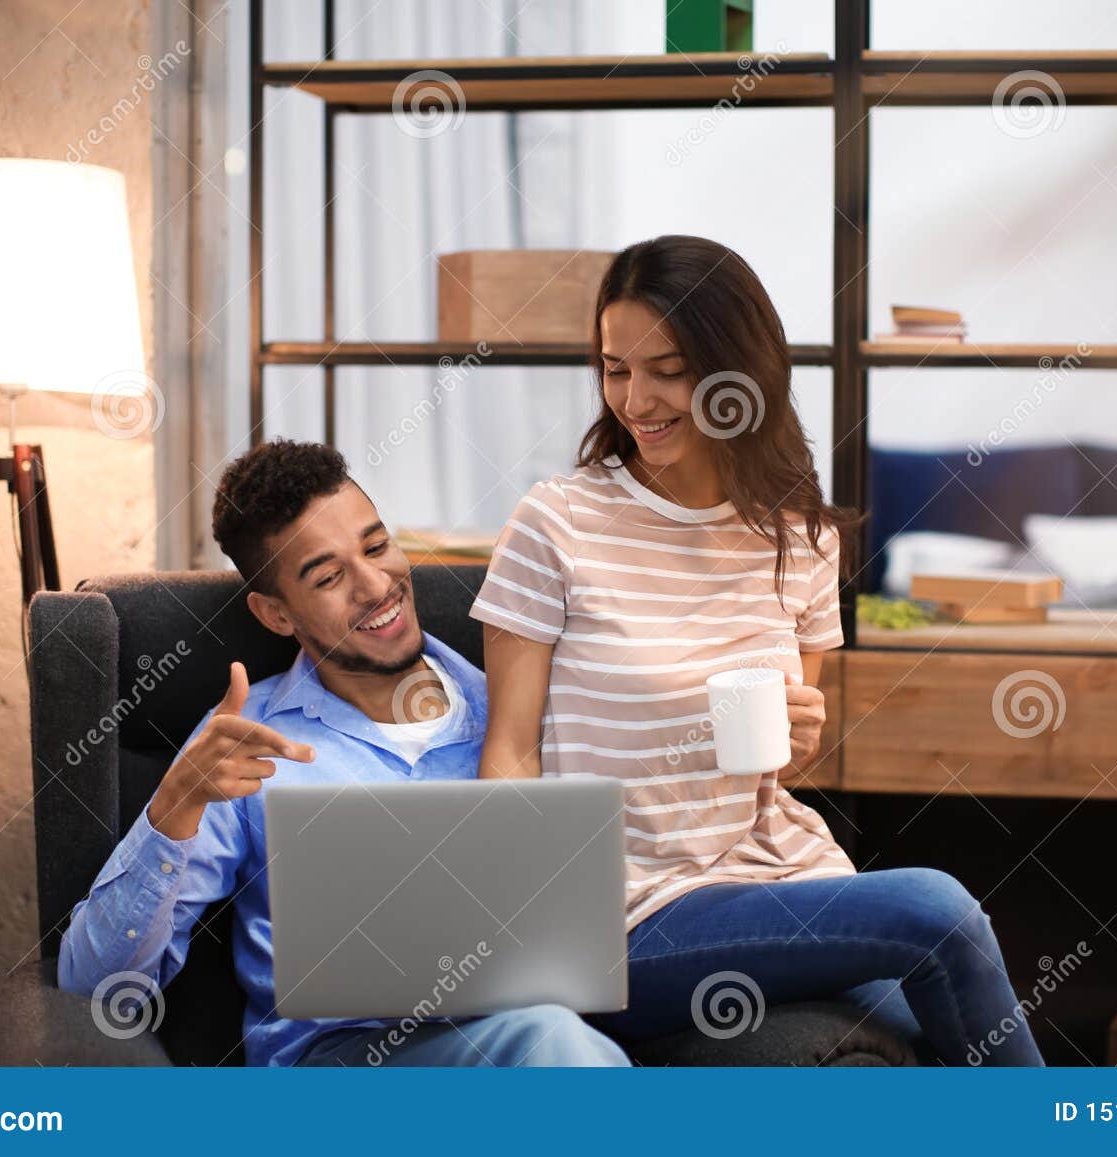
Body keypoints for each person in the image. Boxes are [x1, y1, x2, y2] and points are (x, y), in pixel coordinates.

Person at [471, 234, 1045, 1065]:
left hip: (781, 878)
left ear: (738, 368)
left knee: (942, 1044)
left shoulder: (802, 539)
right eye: (616, 367)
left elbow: (768, 769)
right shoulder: (556, 524)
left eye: (667, 369)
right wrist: (527, 934)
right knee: (938, 910)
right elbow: (510, 754)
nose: (636, 399)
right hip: (624, 914)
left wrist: (798, 741)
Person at [56, 439, 629, 1068]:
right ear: (276, 614)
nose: (376, 585)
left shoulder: (516, 709)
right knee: (549, 1042)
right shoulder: (243, 743)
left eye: (378, 547)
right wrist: (173, 810)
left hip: (525, 1041)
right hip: (340, 1061)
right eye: (329, 577)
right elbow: (95, 992)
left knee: (549, 1036)